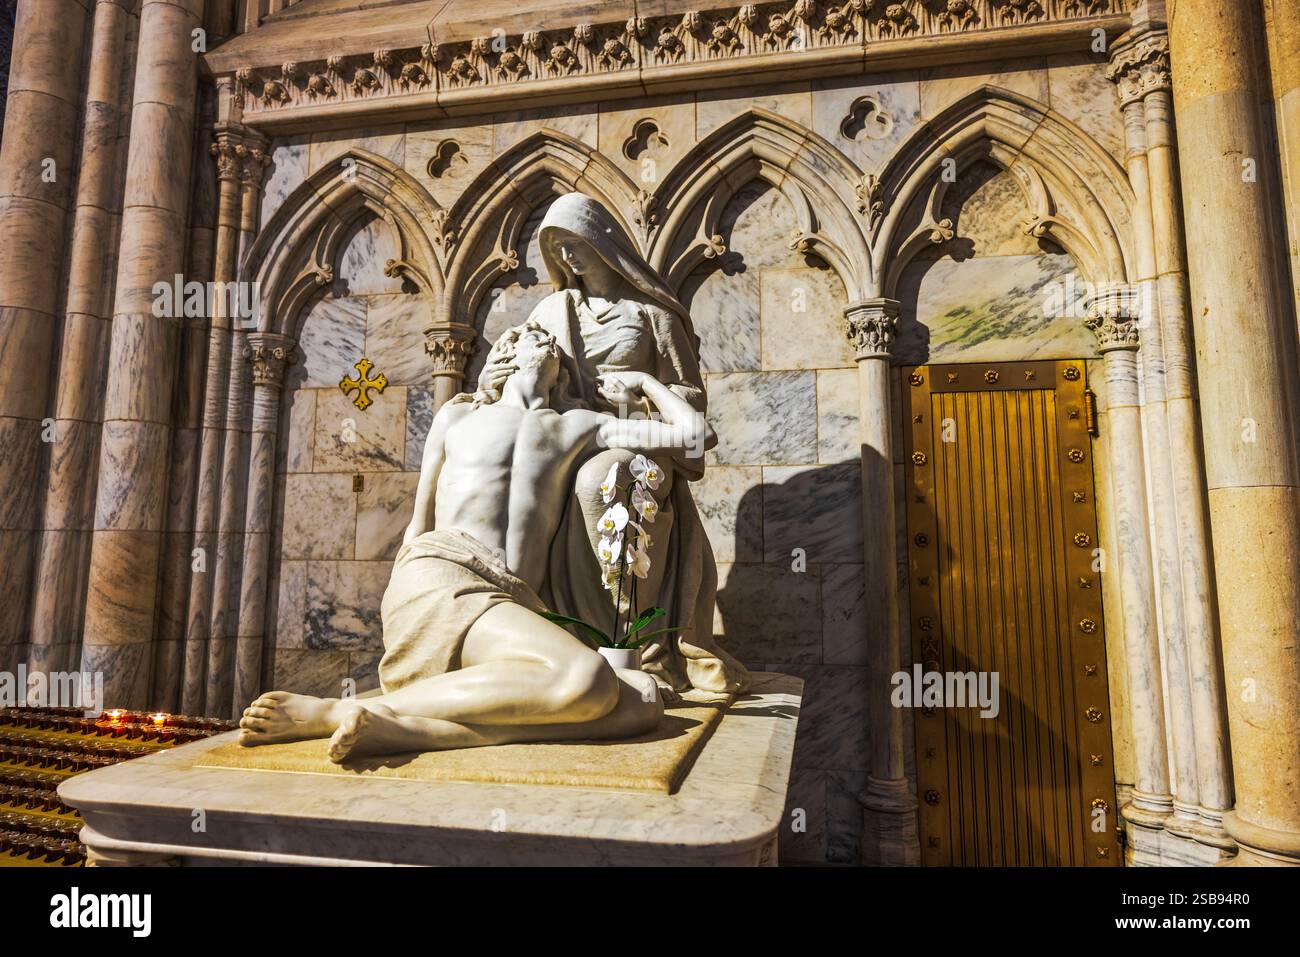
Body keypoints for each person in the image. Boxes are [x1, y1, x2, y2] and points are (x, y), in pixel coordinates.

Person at [238, 325, 712, 762]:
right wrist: (400, 609)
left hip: (511, 603)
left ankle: (406, 728)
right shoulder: (459, 415)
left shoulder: (579, 424)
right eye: (528, 334)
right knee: (585, 679)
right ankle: (329, 713)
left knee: (642, 705)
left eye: (546, 338)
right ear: (504, 353)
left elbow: (694, 439)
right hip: (440, 574)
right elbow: (417, 522)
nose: (542, 338)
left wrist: (645, 384)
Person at [476, 192, 749, 694]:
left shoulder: (651, 313)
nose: (568, 257)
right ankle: (555, 642)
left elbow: (691, 395)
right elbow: (521, 369)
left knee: (603, 481)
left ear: (601, 240)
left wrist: (642, 389)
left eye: (574, 243)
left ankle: (632, 645)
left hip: (639, 442)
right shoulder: (554, 308)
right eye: (557, 248)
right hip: (568, 434)